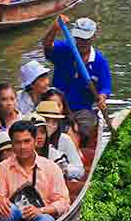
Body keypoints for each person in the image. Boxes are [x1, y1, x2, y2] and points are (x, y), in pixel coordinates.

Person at [42, 15, 112, 147]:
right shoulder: (65, 49)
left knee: (85, 126)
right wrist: (54, 28)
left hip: (82, 110)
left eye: (85, 39)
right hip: (58, 106)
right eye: (79, 39)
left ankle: (76, 146)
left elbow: (106, 87)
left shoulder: (99, 61)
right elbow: (47, 45)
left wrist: (102, 97)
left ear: (92, 38)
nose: (81, 43)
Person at [0, 120, 71, 221]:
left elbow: (63, 202)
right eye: (18, 142)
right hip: (13, 217)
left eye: (27, 141)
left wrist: (41, 210)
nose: (22, 147)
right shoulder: (2, 167)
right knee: (9, 211)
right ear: (12, 144)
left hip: (41, 216)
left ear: (35, 141)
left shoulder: (51, 167)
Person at [36, 100, 85, 179]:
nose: (51, 125)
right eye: (47, 120)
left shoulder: (64, 139)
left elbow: (80, 169)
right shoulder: (28, 138)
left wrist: (64, 169)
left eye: (54, 122)